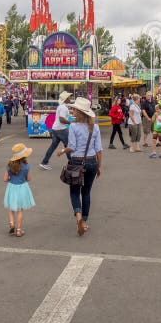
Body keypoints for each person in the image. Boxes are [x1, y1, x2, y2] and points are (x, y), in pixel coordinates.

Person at [55, 97, 102, 236]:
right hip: (92, 161)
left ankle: (79, 218)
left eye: (74, 109)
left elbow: (72, 147)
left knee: (74, 192)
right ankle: (85, 222)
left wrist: (61, 151)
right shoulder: (95, 127)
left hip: (76, 162)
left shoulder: (73, 126)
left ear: (80, 112)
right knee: (86, 192)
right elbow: (99, 149)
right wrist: (99, 166)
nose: (72, 110)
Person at [4, 143, 35, 238]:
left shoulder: (9, 165)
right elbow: (28, 179)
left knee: (11, 208)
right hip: (22, 188)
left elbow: (5, 179)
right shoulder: (26, 166)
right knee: (20, 210)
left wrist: (11, 179)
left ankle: (12, 224)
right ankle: (18, 230)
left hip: (12, 187)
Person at [39, 91, 72, 170]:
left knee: (53, 147)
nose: (70, 98)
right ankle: (72, 164)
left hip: (55, 129)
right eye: (69, 97)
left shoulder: (61, 106)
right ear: (66, 99)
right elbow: (61, 119)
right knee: (68, 146)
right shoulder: (63, 108)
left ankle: (44, 162)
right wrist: (71, 122)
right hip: (61, 129)